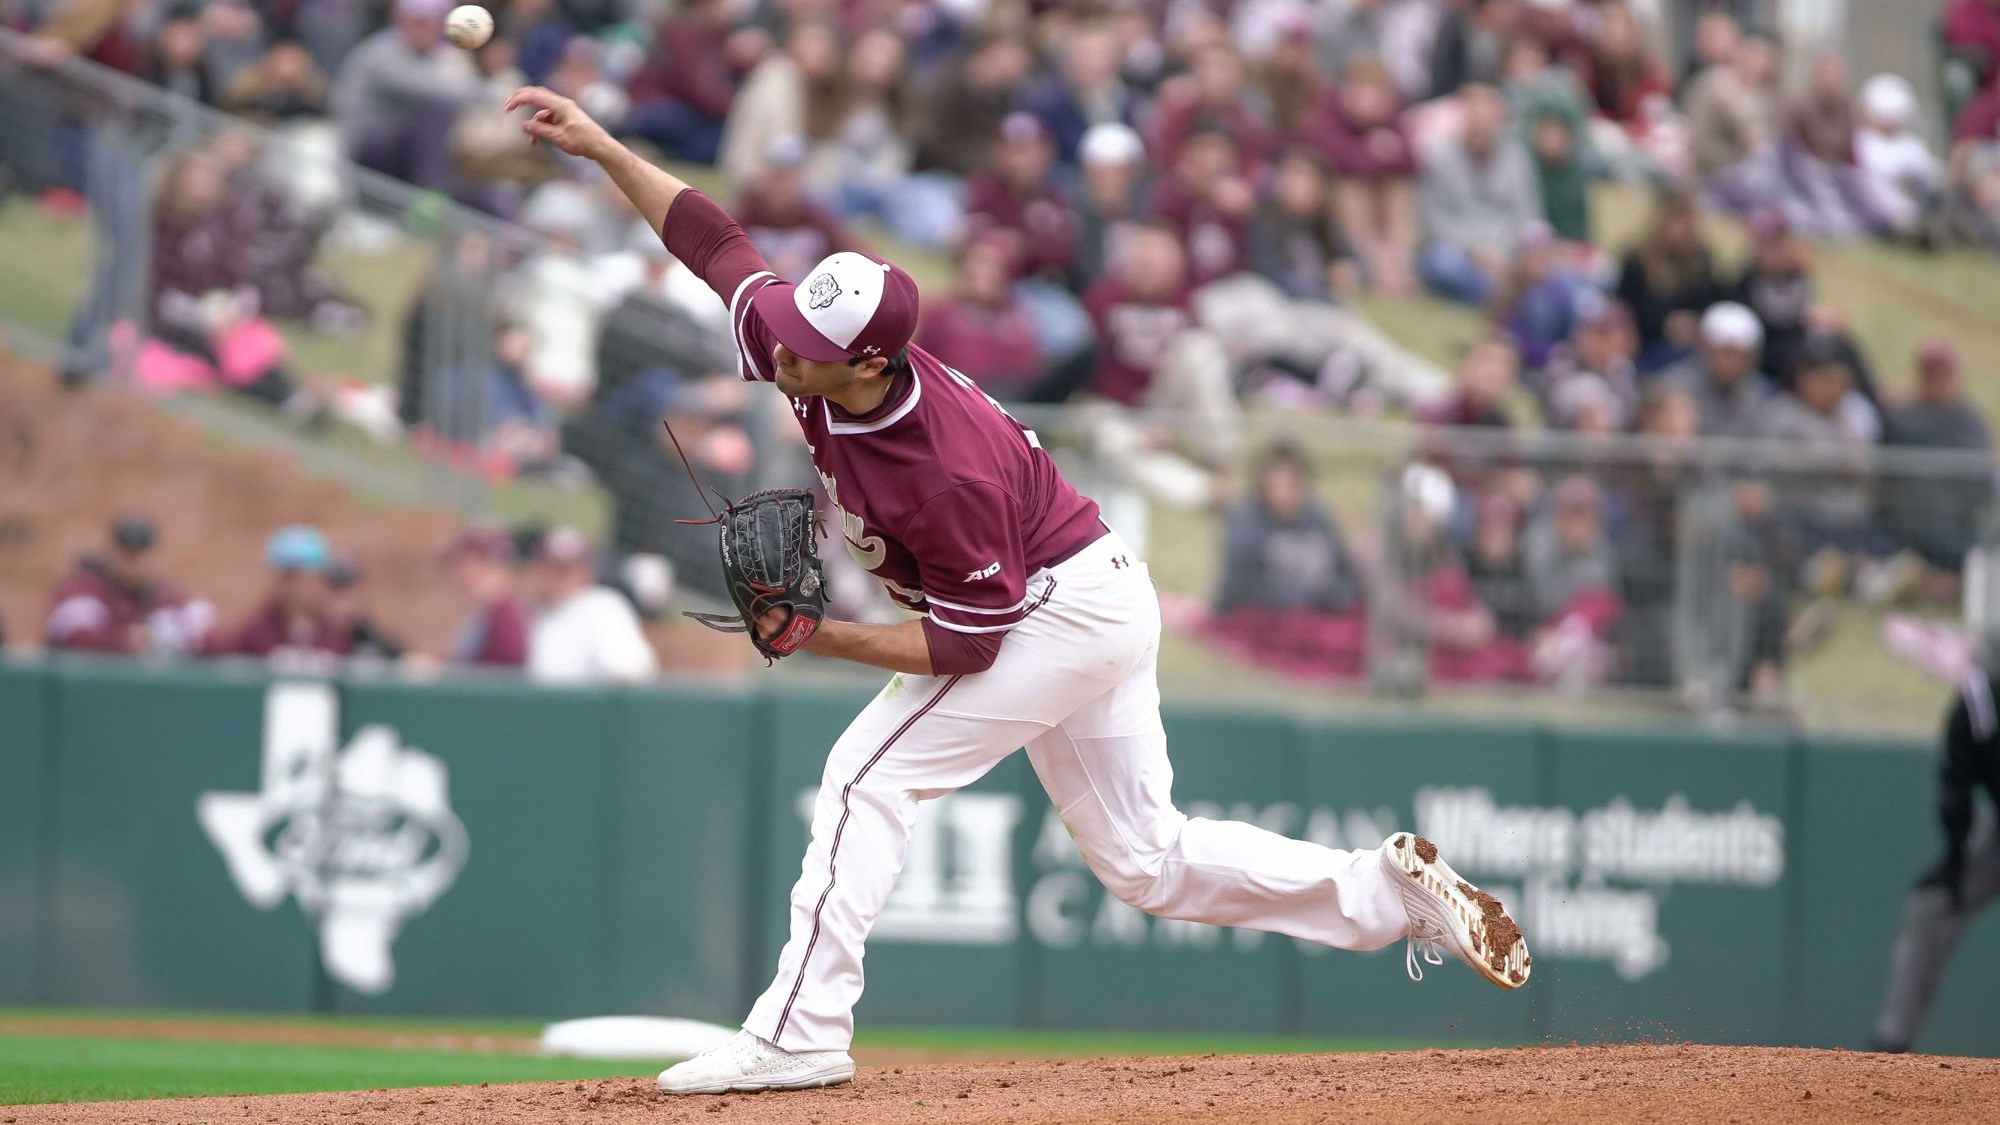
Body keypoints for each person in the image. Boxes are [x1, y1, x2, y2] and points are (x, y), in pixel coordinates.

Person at [503, 83, 1531, 1095]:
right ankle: (1383, 893)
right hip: (1089, 587)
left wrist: (820, 637)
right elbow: (717, 244)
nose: (781, 353)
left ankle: (797, 1033)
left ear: (868, 361)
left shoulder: (940, 471)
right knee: (1145, 863)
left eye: (808, 353)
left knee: (865, 776)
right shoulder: (816, 345)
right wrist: (603, 146)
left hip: (1058, 609)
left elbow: (967, 648)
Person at [1870, 662, 2000, 1054]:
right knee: (1930, 906)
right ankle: (1892, 1047)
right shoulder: (1982, 699)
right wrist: (1957, 854)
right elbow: (1955, 785)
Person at [1205, 443, 1367, 679]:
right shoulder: (1246, 520)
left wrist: (1331, 595)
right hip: (1270, 615)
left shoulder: (1318, 519)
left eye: (1290, 483)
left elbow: (1344, 572)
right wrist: (1296, 600)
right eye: (1276, 482)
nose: (1283, 490)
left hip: (1317, 612)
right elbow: (1242, 584)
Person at [1417, 81, 1543, 305]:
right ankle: (1498, 295)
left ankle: (1506, 292)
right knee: (1440, 263)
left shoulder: (1517, 157)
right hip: (1457, 250)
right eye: (1473, 112)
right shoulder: (1439, 155)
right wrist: (1475, 250)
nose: (1481, 121)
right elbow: (1431, 218)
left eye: (1487, 114)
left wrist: (1503, 253)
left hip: (1506, 251)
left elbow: (1527, 215)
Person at [44, 515, 213, 656]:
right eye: (127, 555)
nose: (134, 564)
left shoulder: (167, 596)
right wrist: (124, 642)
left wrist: (164, 639)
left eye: (140, 555)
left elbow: (214, 641)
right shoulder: (84, 590)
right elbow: (79, 640)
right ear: (110, 553)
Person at [523, 526, 658, 684]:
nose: (555, 577)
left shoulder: (602, 606)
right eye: (549, 567)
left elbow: (629, 667)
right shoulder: (525, 609)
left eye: (565, 570)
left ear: (586, 570)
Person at [218, 525, 351, 669]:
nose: (296, 587)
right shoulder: (254, 632)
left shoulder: (335, 634)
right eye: (288, 577)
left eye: (303, 577)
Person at [1660, 302, 1770, 440]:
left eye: (1740, 354)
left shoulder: (1762, 395)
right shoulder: (1674, 386)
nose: (1731, 362)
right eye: (1725, 352)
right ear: (1705, 348)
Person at [441, 526, 530, 668]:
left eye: (461, 562)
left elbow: (509, 664)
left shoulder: (505, 612)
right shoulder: (487, 609)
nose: (455, 572)